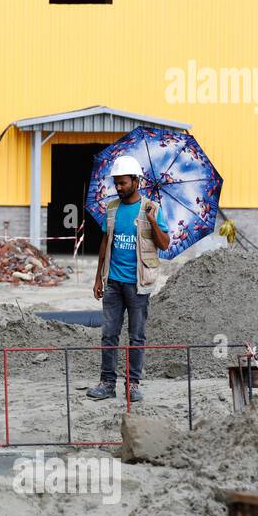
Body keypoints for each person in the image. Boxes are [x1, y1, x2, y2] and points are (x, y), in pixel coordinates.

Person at [86, 155, 171, 403]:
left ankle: (133, 385)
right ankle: (107, 383)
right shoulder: (112, 209)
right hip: (113, 282)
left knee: (136, 336)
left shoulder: (152, 209)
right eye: (116, 183)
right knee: (109, 333)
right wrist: (98, 278)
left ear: (136, 181)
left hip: (138, 283)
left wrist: (153, 222)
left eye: (123, 183)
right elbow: (105, 242)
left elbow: (164, 244)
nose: (118, 188)